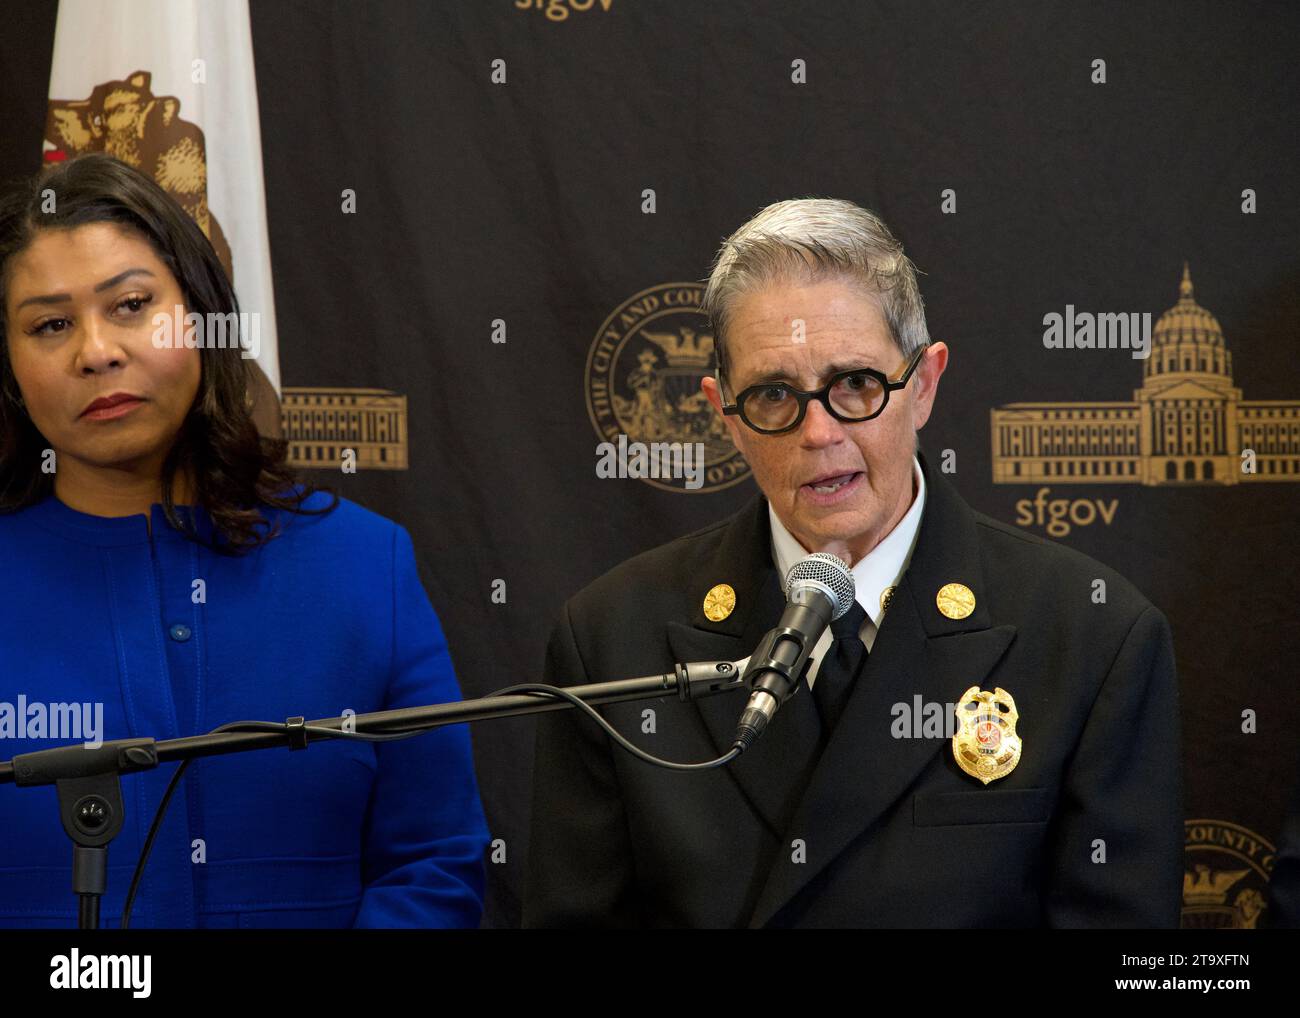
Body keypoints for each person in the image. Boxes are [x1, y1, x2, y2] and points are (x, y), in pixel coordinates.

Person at [525, 198, 1183, 928]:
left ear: (924, 385)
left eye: (857, 385)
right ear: (725, 415)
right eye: (775, 394)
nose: (819, 432)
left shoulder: (1091, 638)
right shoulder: (612, 638)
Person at [0, 153, 489, 928]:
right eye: (51, 324)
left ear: (202, 315)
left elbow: (434, 865)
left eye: (130, 305)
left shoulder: (363, 566)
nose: (95, 351)